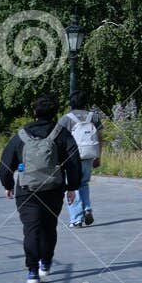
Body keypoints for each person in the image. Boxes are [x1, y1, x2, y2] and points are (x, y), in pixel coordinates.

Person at [0, 94, 83, 283]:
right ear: (55, 113)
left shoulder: (21, 135)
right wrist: (72, 187)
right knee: (49, 227)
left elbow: (5, 164)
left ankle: (32, 271)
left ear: (34, 112)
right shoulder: (62, 134)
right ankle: (46, 261)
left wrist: (8, 185)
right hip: (54, 189)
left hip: (26, 190)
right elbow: (73, 162)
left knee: (31, 230)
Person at [56, 91, 104, 228]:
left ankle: (76, 219)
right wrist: (98, 156)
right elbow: (100, 137)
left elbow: (57, 139)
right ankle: (87, 208)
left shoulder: (66, 119)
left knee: (71, 186)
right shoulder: (93, 117)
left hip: (71, 158)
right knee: (83, 183)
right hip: (89, 155)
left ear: (71, 103)